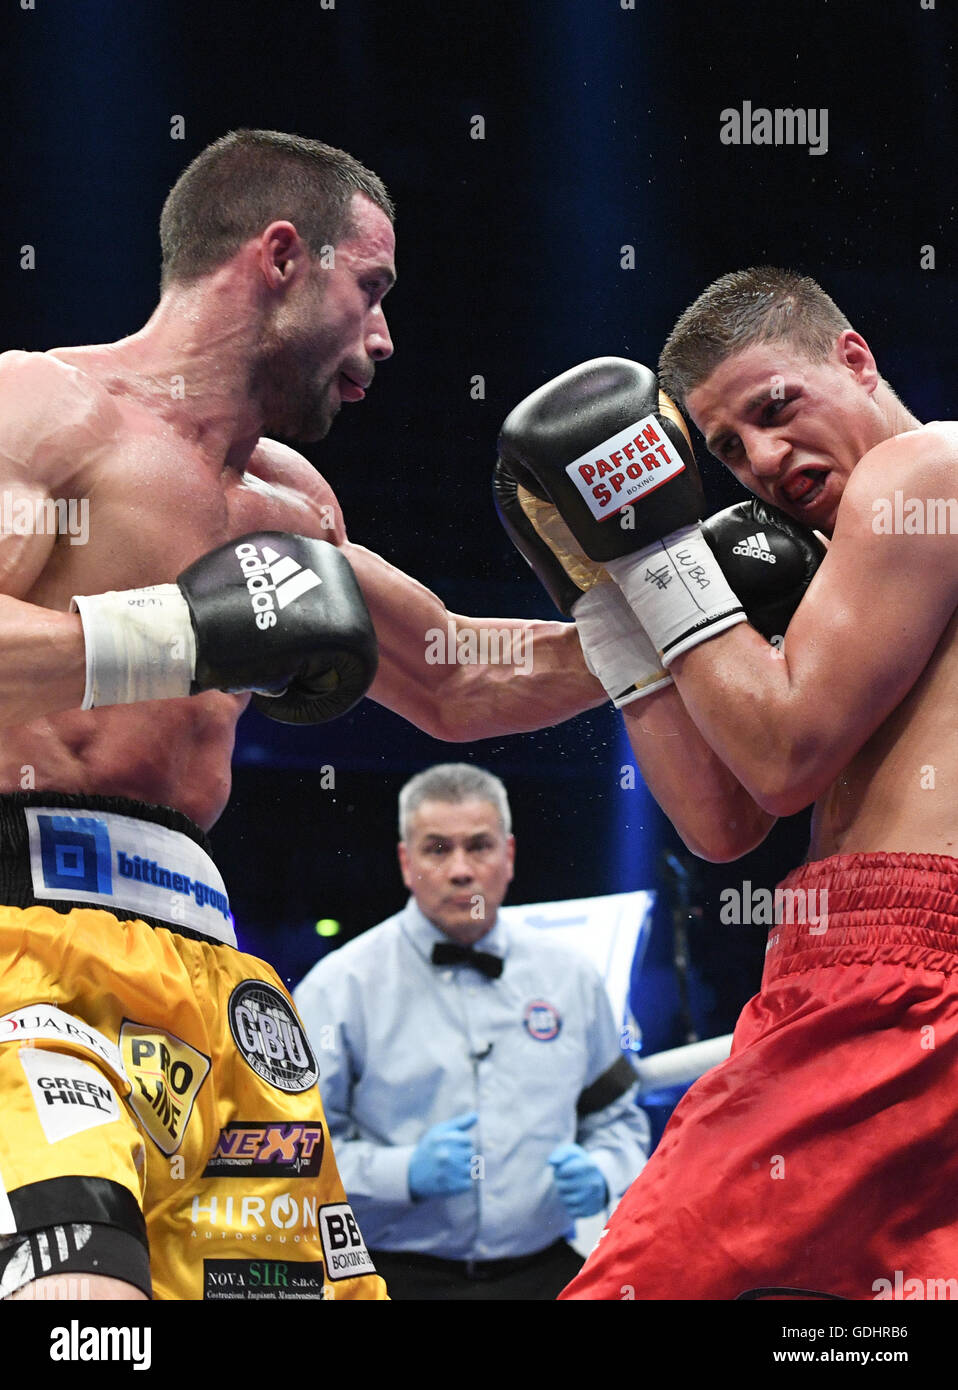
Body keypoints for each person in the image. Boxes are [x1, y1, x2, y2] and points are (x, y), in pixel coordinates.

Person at [0, 130, 607, 1303]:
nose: (384, 336)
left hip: (209, 975)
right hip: (25, 951)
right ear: (282, 255)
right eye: (370, 289)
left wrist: (697, 619)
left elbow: (458, 675)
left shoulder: (292, 505)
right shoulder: (42, 406)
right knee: (83, 1311)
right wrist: (178, 635)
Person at [493, 267, 958, 1300]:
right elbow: (724, 820)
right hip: (862, 970)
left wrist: (651, 548)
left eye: (773, 408)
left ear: (855, 357)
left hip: (896, 981)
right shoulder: (839, 575)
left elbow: (783, 752)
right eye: (727, 451)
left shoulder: (927, 469)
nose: (761, 461)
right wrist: (604, 604)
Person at [293, 763, 650, 1300]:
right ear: (405, 862)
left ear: (508, 855)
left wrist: (605, 1169)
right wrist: (400, 1172)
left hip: (544, 1271)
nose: (461, 870)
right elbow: (298, 1152)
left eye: (479, 846)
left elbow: (617, 1119)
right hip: (389, 1276)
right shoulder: (340, 987)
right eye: (437, 848)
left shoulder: (571, 978)